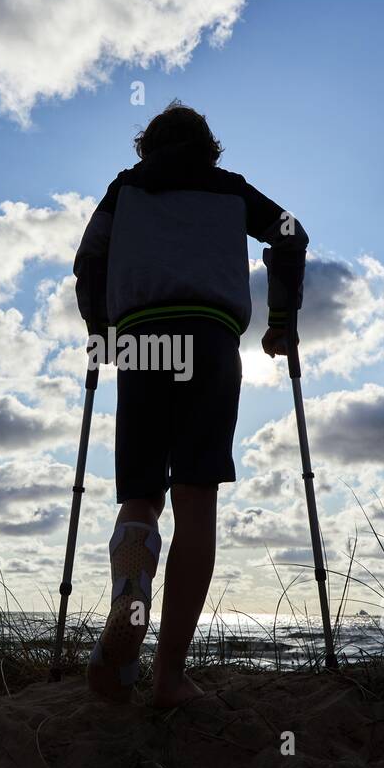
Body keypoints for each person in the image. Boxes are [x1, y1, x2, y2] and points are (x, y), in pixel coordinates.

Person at [73, 100, 309, 708]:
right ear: (210, 148)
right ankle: (169, 679)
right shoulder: (230, 189)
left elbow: (91, 257)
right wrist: (281, 320)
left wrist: (100, 329)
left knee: (141, 494)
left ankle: (131, 592)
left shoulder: (125, 189)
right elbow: (291, 234)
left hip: (143, 340)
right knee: (196, 502)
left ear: (146, 147)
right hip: (209, 337)